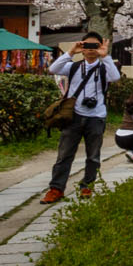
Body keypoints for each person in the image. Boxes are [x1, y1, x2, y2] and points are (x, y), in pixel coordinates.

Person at [40, 32, 121, 205]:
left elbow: (115, 77)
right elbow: (52, 69)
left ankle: (87, 186)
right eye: (87, 45)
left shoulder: (104, 68)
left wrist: (105, 56)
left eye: (95, 46)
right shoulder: (74, 67)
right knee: (64, 155)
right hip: (74, 116)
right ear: (82, 48)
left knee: (93, 156)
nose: (91, 50)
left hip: (96, 116)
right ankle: (56, 189)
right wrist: (71, 52)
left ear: (101, 47)